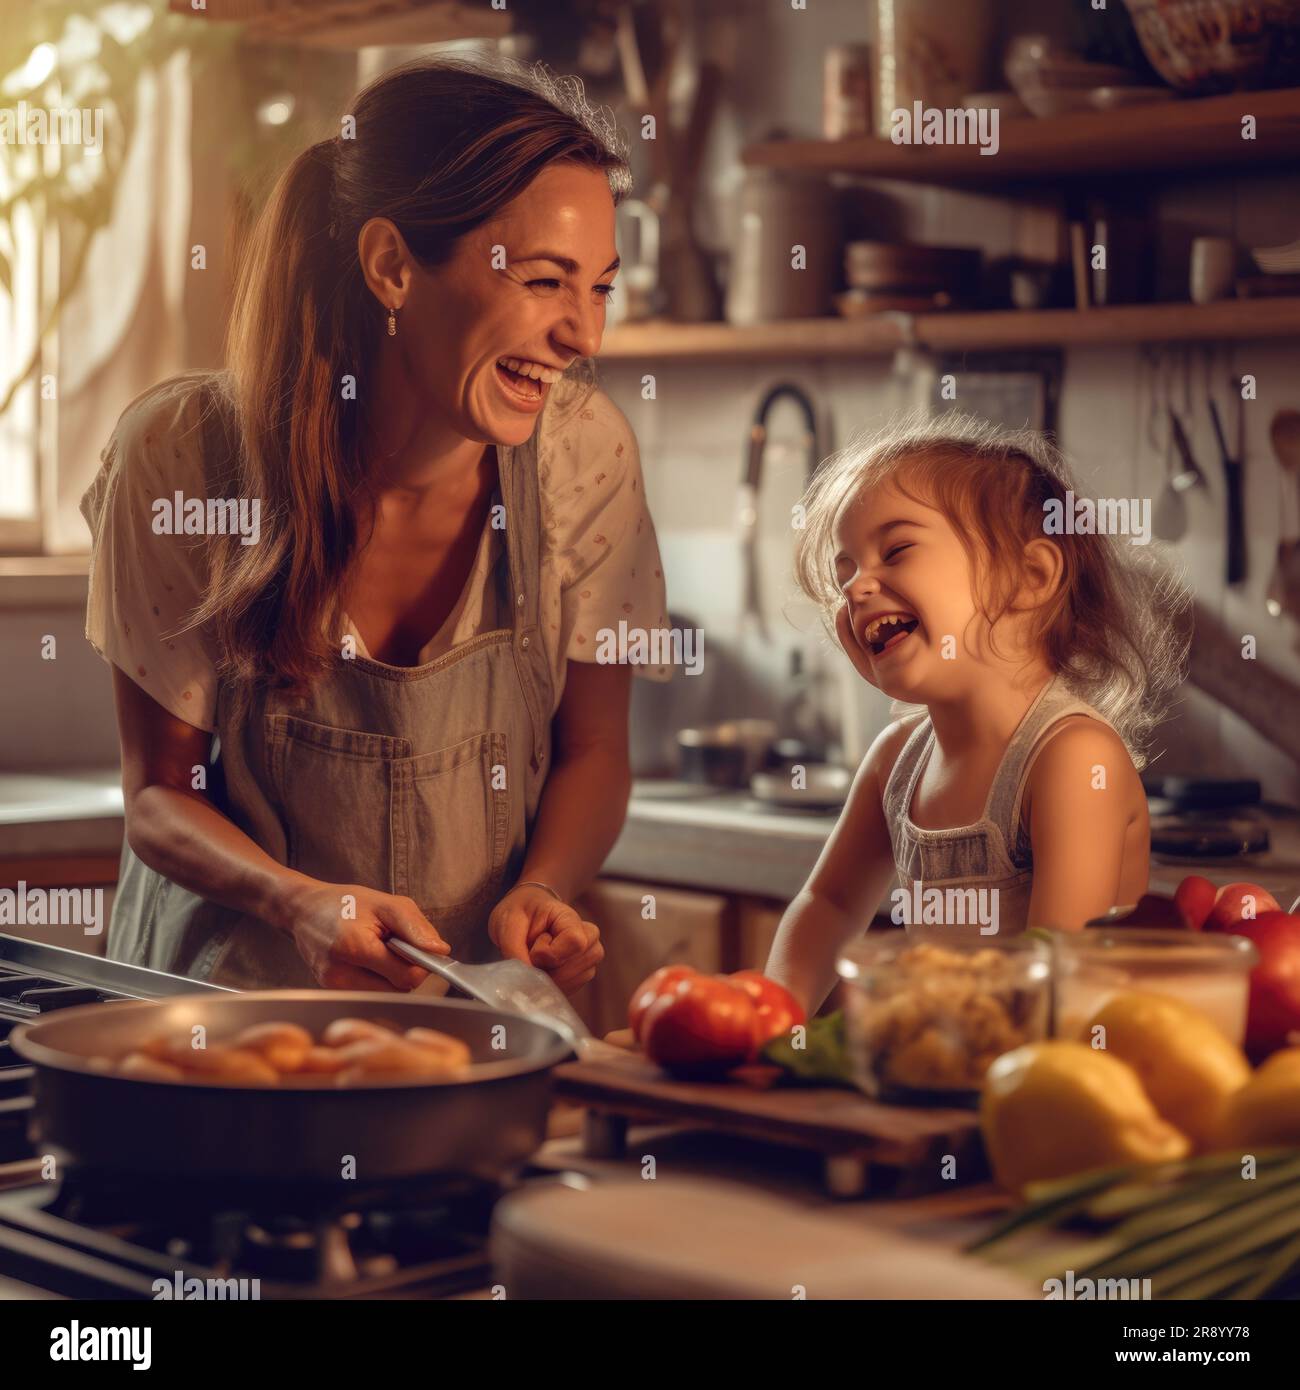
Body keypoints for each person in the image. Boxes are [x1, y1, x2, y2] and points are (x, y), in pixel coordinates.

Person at [79, 56, 670, 992]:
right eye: (547, 281)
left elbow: (595, 750)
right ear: (394, 266)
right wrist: (293, 899)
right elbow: (158, 796)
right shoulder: (183, 455)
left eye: (598, 286)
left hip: (473, 1027)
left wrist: (546, 887)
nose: (585, 336)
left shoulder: (583, 453)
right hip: (228, 1015)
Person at [765, 413, 1188, 1013]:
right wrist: (772, 1016)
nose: (857, 588)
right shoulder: (895, 761)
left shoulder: (1071, 758)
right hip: (951, 1061)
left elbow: (1055, 973)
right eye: (847, 570)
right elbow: (829, 905)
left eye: (897, 550)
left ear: (1031, 577)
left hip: (1047, 1077)